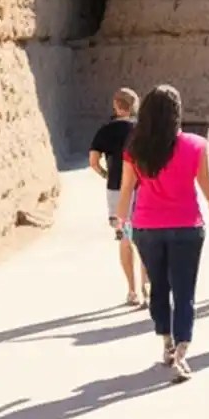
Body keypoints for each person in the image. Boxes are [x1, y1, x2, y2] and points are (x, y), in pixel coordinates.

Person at [117, 85, 209, 381]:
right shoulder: (195, 144)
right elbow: (207, 188)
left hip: (147, 227)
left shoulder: (135, 148)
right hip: (187, 226)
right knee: (185, 291)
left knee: (158, 287)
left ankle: (167, 342)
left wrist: (121, 221)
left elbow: (126, 189)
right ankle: (182, 351)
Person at [90, 87, 148, 307]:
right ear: (135, 106)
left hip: (116, 189)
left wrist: (106, 174)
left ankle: (132, 290)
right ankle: (147, 287)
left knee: (125, 238)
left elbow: (93, 161)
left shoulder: (105, 130)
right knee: (144, 238)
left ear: (116, 105)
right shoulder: (142, 129)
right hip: (142, 188)